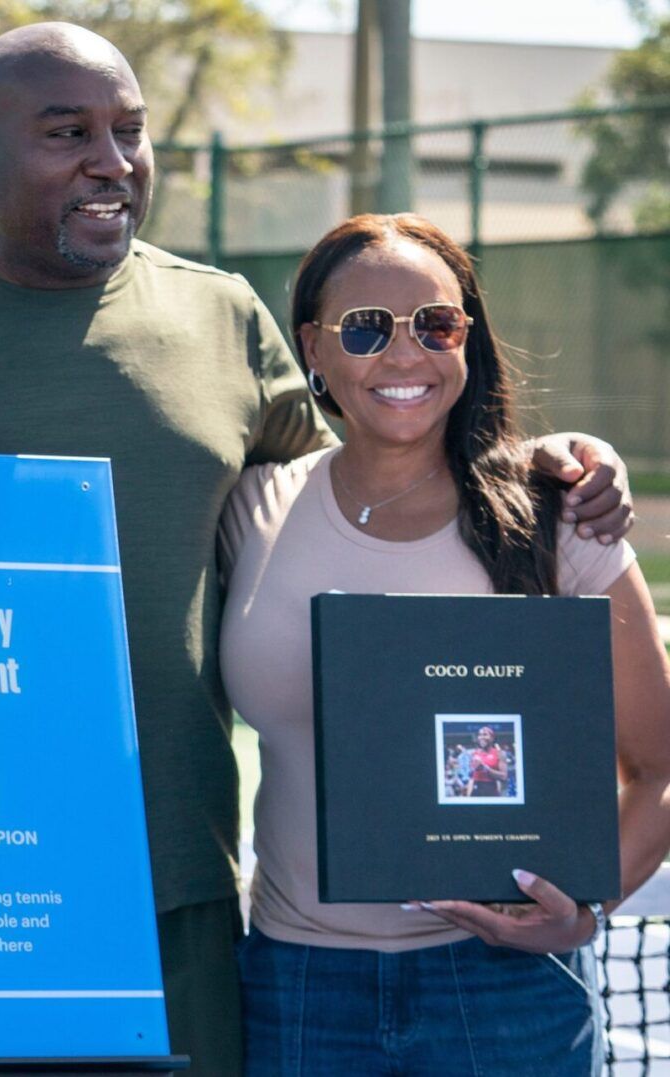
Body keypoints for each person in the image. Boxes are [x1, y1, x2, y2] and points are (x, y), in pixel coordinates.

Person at [0, 23, 636, 1074]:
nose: (111, 160)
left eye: (130, 131)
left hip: (181, 877)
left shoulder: (220, 315)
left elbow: (367, 481)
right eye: (67, 132)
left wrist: (536, 462)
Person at [219, 213, 670, 1073]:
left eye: (436, 324)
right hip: (296, 985)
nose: (404, 355)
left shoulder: (555, 516)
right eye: (365, 329)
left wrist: (587, 909)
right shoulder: (252, 511)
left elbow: (659, 767)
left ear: (467, 338)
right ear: (313, 348)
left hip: (507, 991)